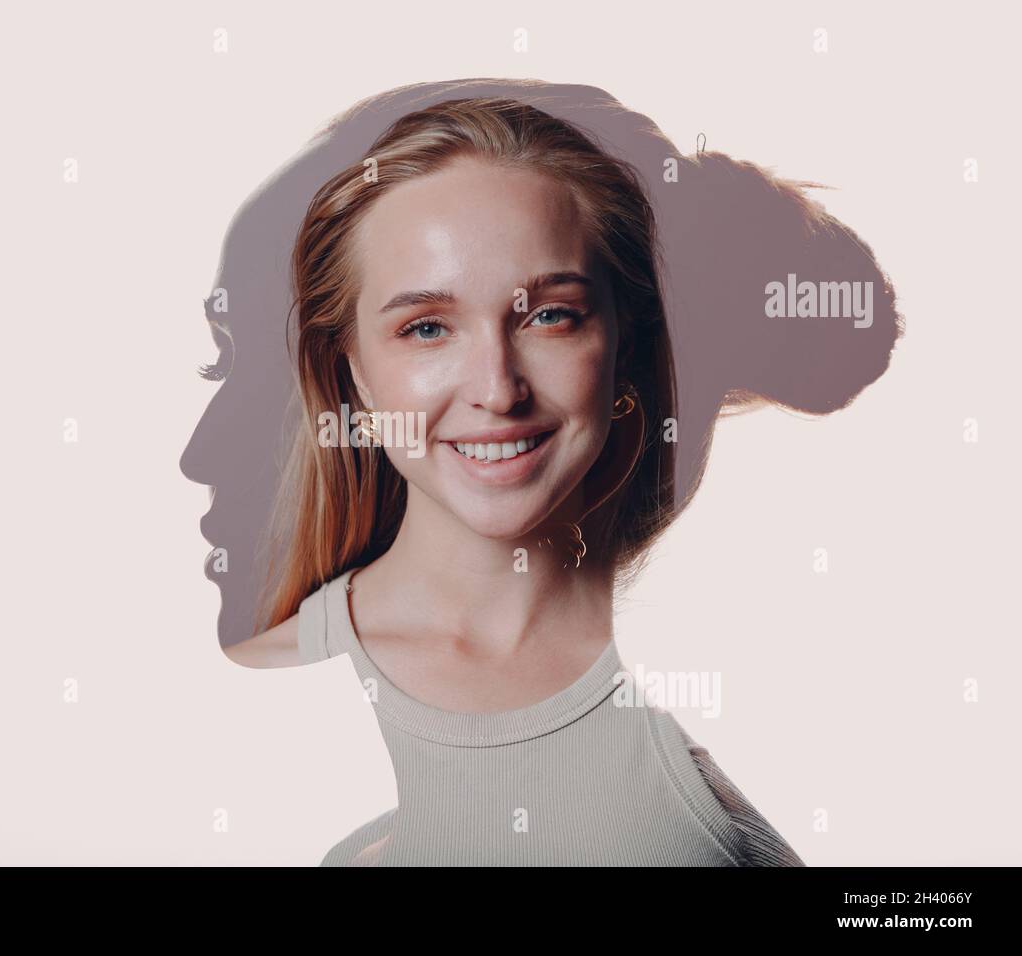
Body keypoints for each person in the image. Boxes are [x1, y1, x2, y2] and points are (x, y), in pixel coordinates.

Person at [225, 96, 805, 865]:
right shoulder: (253, 701)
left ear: (622, 343)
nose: (498, 389)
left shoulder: (756, 658)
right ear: (352, 372)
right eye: (427, 327)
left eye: (549, 316)